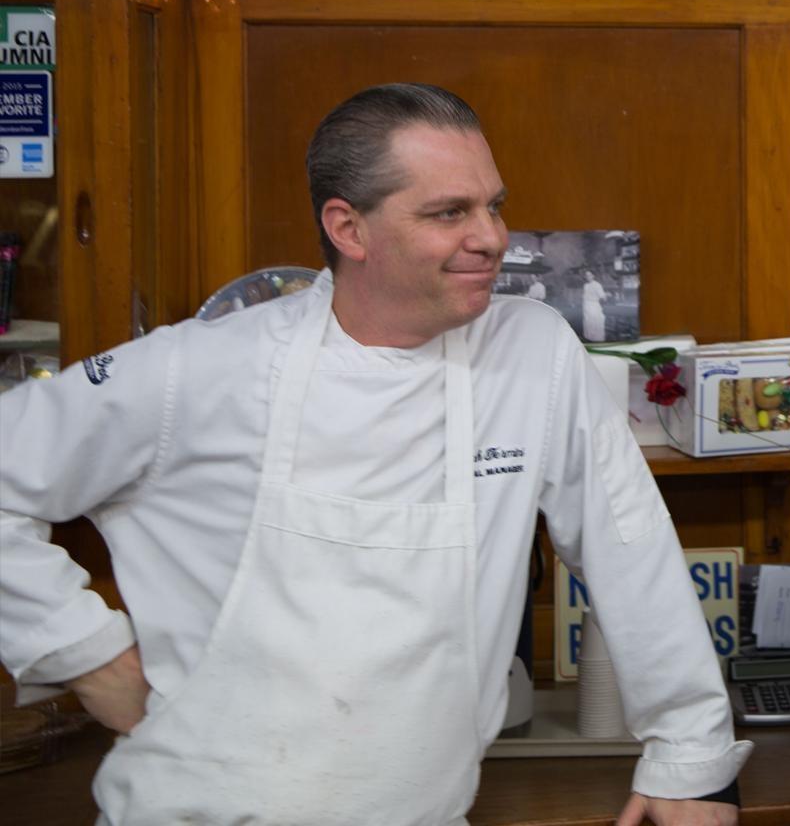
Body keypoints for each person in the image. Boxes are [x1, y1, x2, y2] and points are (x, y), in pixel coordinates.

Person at [0, 84, 749, 825]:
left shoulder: (534, 350)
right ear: (348, 228)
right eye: (449, 212)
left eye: (493, 204)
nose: (492, 236)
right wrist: (84, 651)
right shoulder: (200, 369)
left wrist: (691, 759)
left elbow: (631, 546)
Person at [582, 269, 608, 341]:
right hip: (586, 306)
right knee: (588, 322)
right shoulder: (586, 285)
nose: (587, 277)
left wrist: (605, 295)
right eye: (586, 275)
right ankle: (589, 338)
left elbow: (602, 297)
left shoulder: (597, 285)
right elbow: (603, 297)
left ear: (593, 276)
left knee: (596, 322)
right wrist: (606, 295)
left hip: (594, 306)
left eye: (589, 275)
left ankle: (597, 340)